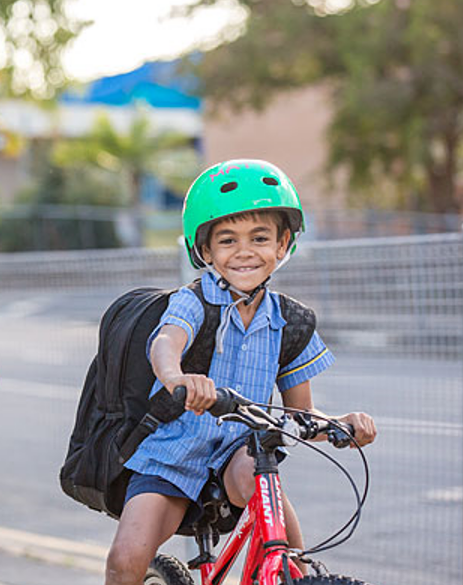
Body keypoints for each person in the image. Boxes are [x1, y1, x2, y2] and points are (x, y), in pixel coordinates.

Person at [103, 159, 377, 584]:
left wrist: (338, 426)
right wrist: (176, 378)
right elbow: (166, 342)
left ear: (283, 244)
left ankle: (294, 574)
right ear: (206, 251)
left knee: (278, 522)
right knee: (126, 559)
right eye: (227, 240)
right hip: (174, 452)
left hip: (241, 451)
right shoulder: (193, 302)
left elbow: (299, 414)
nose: (245, 251)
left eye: (260, 237)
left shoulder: (291, 321)